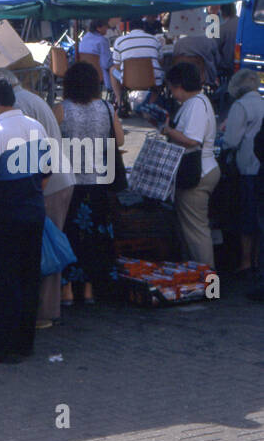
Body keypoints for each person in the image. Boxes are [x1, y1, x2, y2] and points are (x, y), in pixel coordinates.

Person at [0, 75, 47, 363]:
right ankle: (24, 342)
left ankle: (5, 344)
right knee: (29, 278)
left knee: (4, 280)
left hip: (3, 215)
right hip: (32, 210)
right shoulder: (36, 127)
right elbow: (46, 172)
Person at [54, 62, 125, 308]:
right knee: (96, 238)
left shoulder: (61, 110)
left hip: (69, 184)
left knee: (68, 236)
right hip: (98, 183)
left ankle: (67, 291)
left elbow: (50, 143)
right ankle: (89, 289)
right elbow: (120, 138)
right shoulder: (107, 108)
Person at [162, 62, 221, 270]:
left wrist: (168, 131)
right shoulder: (195, 103)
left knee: (196, 231)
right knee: (190, 229)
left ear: (180, 85)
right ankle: (196, 277)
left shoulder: (196, 104)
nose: (171, 92)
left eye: (171, 87)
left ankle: (208, 281)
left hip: (198, 172)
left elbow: (192, 140)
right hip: (198, 170)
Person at [220, 68, 264, 276]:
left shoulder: (240, 105)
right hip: (260, 166)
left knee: (246, 214)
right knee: (258, 215)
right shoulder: (262, 102)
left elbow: (231, 140)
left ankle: (245, 261)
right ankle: (257, 260)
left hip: (247, 165)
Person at [110, 17, 165, 114]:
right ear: (143, 27)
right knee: (161, 73)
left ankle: (120, 102)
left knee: (112, 70)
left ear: (129, 29)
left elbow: (117, 65)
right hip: (152, 80)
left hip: (128, 80)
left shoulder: (120, 41)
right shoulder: (154, 40)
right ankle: (151, 105)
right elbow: (161, 62)